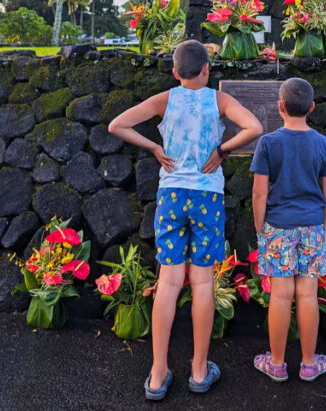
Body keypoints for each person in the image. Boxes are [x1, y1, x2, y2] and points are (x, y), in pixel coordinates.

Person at [108, 40, 263, 401]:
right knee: (203, 282)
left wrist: (154, 148)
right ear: (208, 69)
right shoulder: (219, 100)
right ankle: (198, 370)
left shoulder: (166, 99)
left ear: (175, 72)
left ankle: (158, 374)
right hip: (207, 195)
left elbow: (118, 125)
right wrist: (222, 150)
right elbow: (253, 126)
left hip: (172, 194)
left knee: (169, 280)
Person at [250, 77, 326, 382]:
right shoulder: (324, 144)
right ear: (311, 107)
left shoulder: (269, 143)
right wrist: (321, 228)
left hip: (278, 227)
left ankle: (276, 364)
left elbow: (259, 193)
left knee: (280, 295)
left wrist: (261, 229)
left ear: (280, 107)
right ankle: (309, 364)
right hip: (313, 227)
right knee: (308, 295)